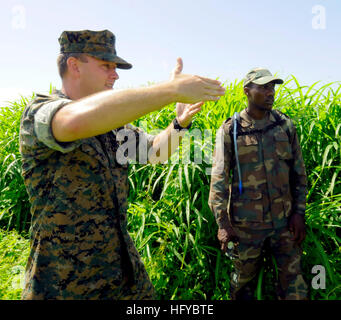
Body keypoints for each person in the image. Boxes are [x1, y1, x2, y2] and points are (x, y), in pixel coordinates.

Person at [19, 29, 225, 300]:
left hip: (122, 272)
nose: (115, 74)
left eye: (116, 67)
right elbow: (73, 123)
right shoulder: (40, 112)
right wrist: (169, 90)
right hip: (63, 282)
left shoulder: (113, 128)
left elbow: (155, 152)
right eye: (106, 65)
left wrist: (180, 124)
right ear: (74, 65)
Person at [208, 68, 308, 300]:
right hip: (245, 228)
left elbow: (299, 173)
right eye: (263, 87)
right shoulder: (231, 130)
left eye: (272, 87)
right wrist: (223, 224)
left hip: (285, 224)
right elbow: (219, 180)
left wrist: (299, 213)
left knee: (294, 285)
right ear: (247, 91)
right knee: (243, 287)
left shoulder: (285, 126)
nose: (270, 92)